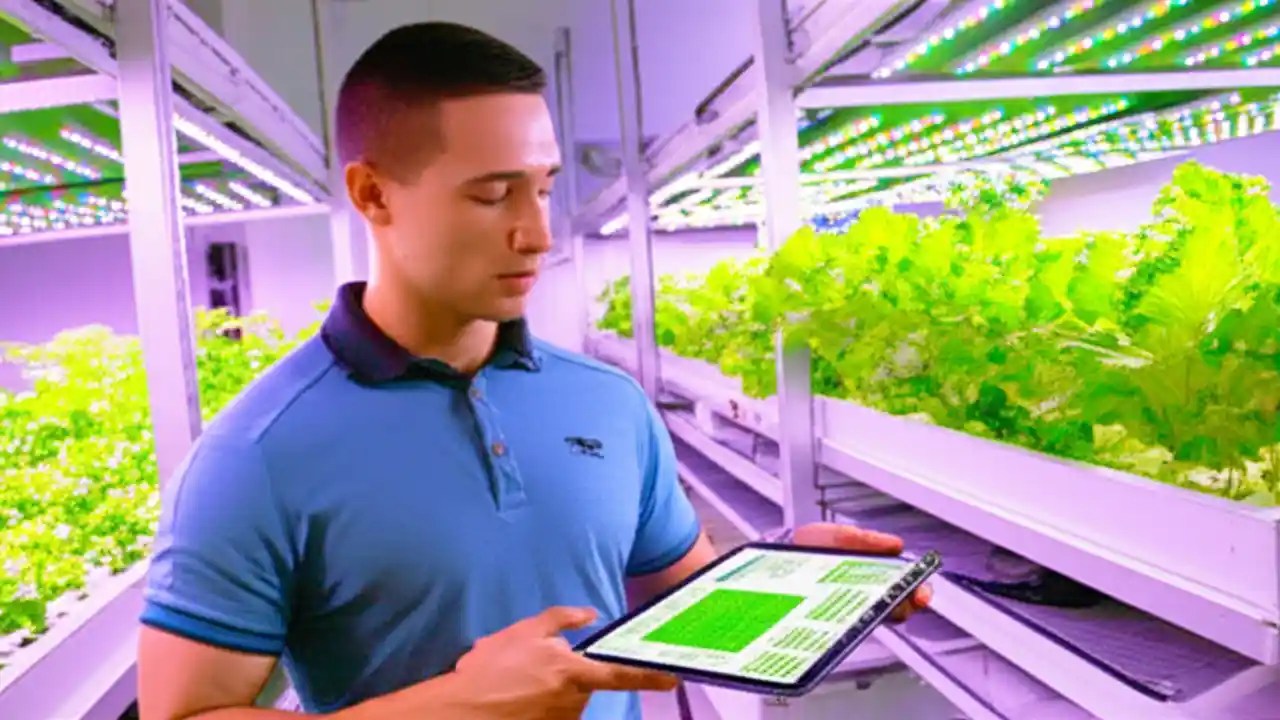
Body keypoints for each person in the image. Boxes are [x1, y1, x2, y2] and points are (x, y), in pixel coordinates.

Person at [136, 21, 929, 720]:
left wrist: (789, 576)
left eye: (544, 188)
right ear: (373, 194)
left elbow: (672, 593)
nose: (536, 234)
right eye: (492, 196)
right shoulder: (256, 456)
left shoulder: (608, 403)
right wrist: (448, 710)